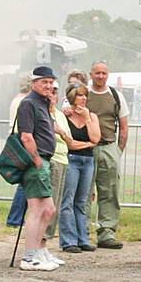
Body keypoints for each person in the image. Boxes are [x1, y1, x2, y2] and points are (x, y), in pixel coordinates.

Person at [15, 67, 64, 271]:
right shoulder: (27, 104)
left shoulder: (42, 103)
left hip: (44, 160)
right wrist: (36, 160)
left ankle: (38, 252)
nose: (49, 85)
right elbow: (26, 135)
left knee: (49, 209)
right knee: (36, 209)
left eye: (51, 82)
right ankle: (28, 258)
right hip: (36, 161)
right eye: (44, 82)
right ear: (34, 82)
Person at [86, 61, 128, 249]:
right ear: (91, 74)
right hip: (86, 149)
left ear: (108, 74)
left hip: (109, 147)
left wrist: (118, 150)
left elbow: (124, 125)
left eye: (104, 73)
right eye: (97, 73)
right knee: (84, 193)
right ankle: (82, 232)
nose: (100, 76)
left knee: (110, 192)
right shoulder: (83, 93)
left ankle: (107, 233)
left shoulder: (116, 95)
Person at [59, 84, 101, 254]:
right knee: (67, 200)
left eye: (85, 95)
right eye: (79, 95)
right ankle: (68, 240)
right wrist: (85, 144)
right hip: (71, 159)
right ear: (71, 98)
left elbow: (96, 138)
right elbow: (68, 141)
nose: (83, 98)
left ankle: (82, 239)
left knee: (81, 201)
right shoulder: (64, 116)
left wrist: (88, 119)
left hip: (88, 160)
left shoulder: (91, 116)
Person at [44, 84, 71, 241]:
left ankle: (45, 241)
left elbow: (68, 137)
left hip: (63, 159)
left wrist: (61, 132)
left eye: (54, 92)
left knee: (56, 205)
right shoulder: (42, 113)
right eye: (49, 92)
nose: (51, 95)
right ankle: (41, 240)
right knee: (49, 204)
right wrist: (59, 132)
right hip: (51, 159)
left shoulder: (59, 115)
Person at [4, 77, 31, 229]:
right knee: (24, 182)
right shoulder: (25, 101)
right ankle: (15, 218)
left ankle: (16, 218)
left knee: (24, 182)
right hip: (21, 139)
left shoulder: (16, 99)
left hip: (16, 138)